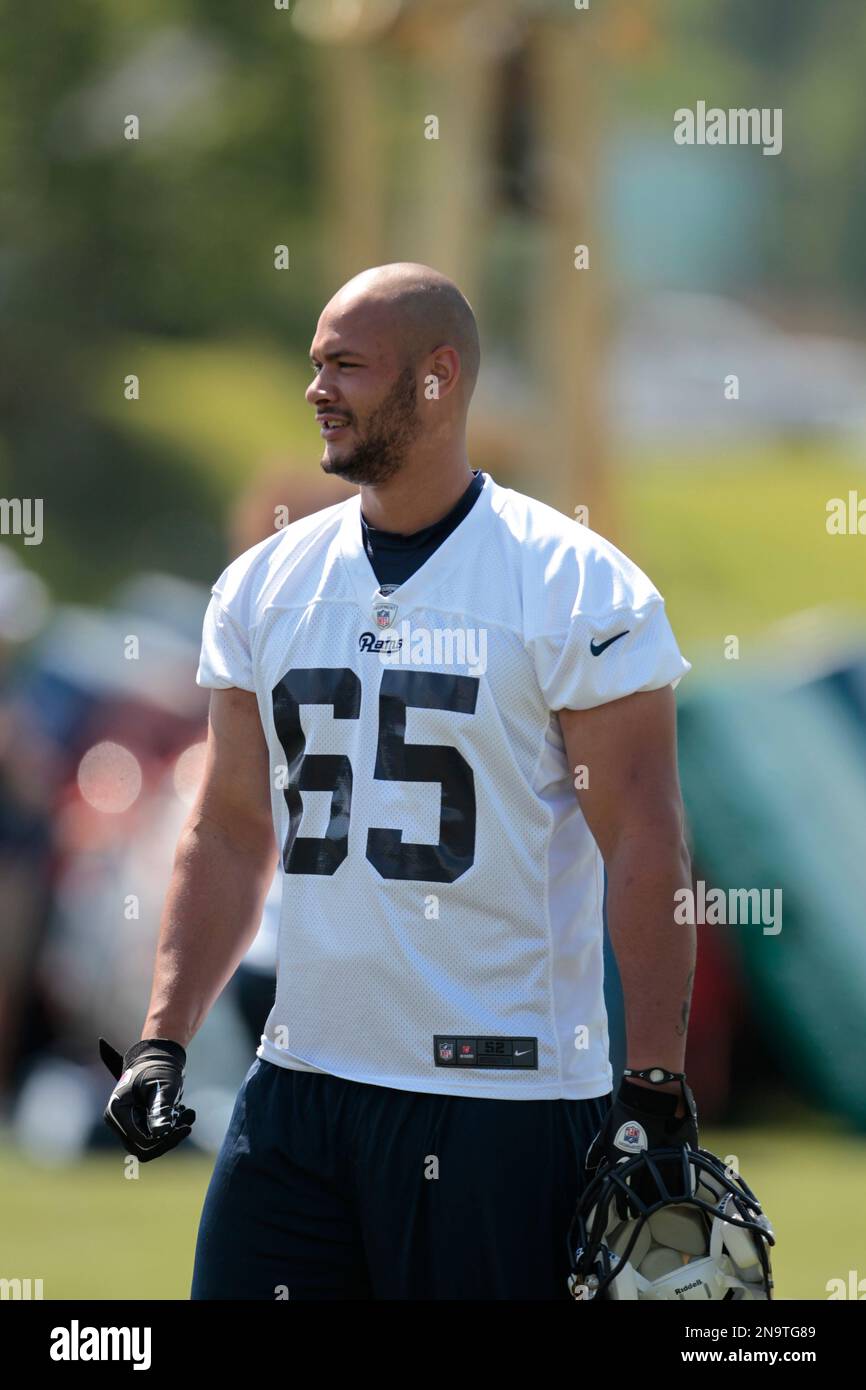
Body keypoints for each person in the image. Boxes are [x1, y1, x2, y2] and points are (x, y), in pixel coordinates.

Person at [101, 262, 698, 1301]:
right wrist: (163, 1038)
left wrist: (653, 1081)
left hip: (498, 1097)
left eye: (347, 365)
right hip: (302, 1084)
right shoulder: (266, 582)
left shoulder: (571, 584)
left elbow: (644, 843)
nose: (316, 389)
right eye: (313, 362)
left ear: (435, 379)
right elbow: (232, 827)